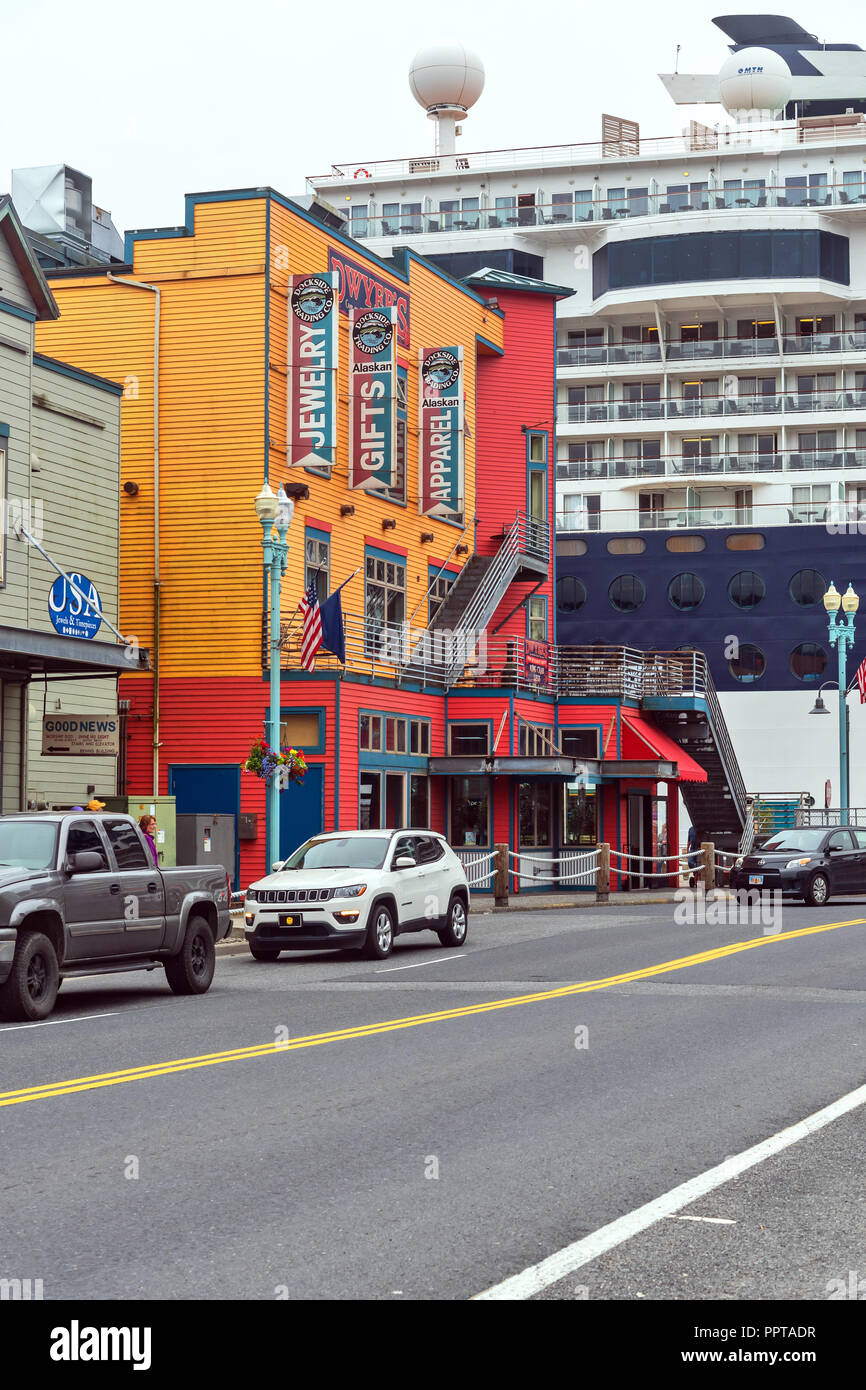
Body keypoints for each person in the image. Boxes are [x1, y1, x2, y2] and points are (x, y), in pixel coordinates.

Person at [687, 824, 700, 888]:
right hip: (692, 849)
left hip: (700, 849)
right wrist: (687, 849)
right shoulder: (690, 829)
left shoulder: (701, 828)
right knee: (690, 862)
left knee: (699, 863)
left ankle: (697, 874)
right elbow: (689, 840)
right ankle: (696, 872)